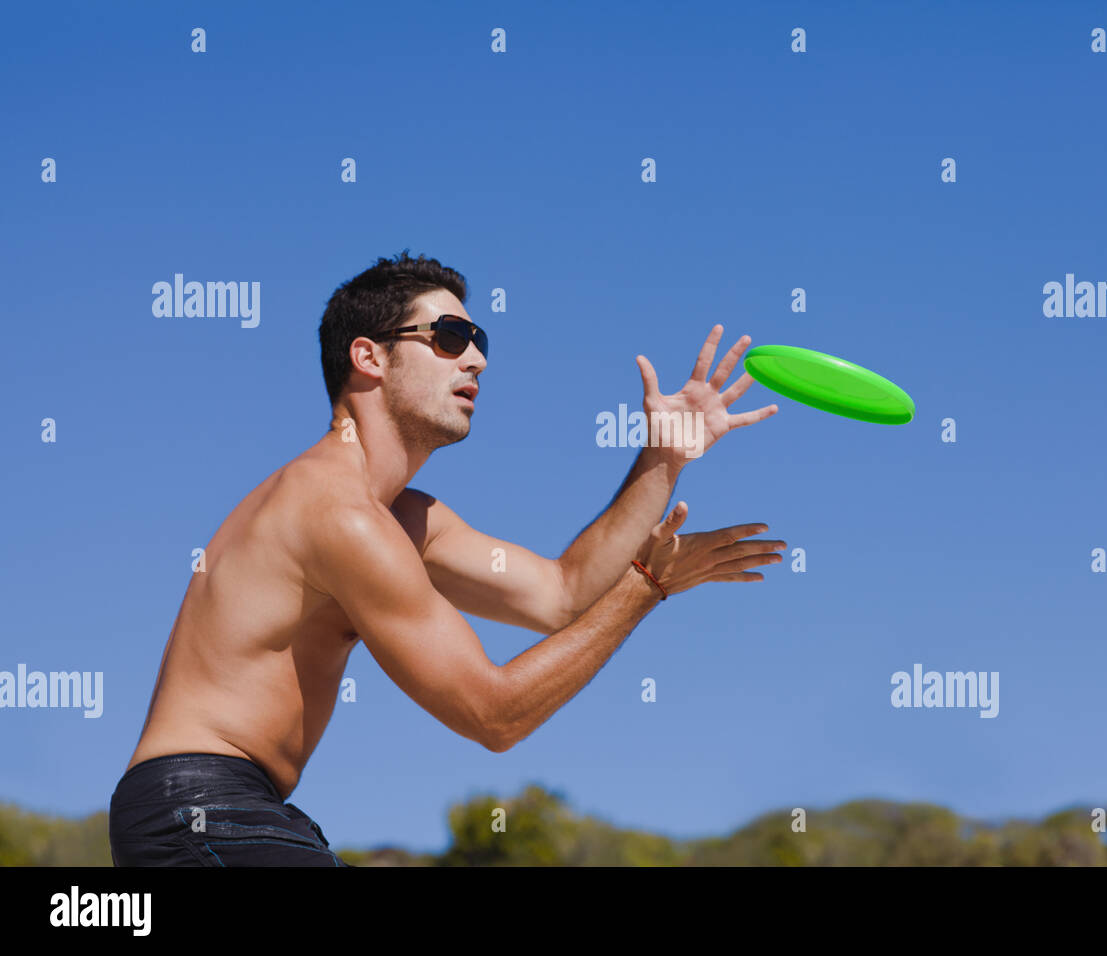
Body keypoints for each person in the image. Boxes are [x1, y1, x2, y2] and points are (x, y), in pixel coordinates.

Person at [108, 251, 782, 866]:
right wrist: (647, 587)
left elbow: (560, 593)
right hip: (200, 815)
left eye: (479, 342)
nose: (477, 360)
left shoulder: (402, 518)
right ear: (369, 357)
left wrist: (665, 456)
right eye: (450, 338)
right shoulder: (337, 512)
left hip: (238, 814)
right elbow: (494, 714)